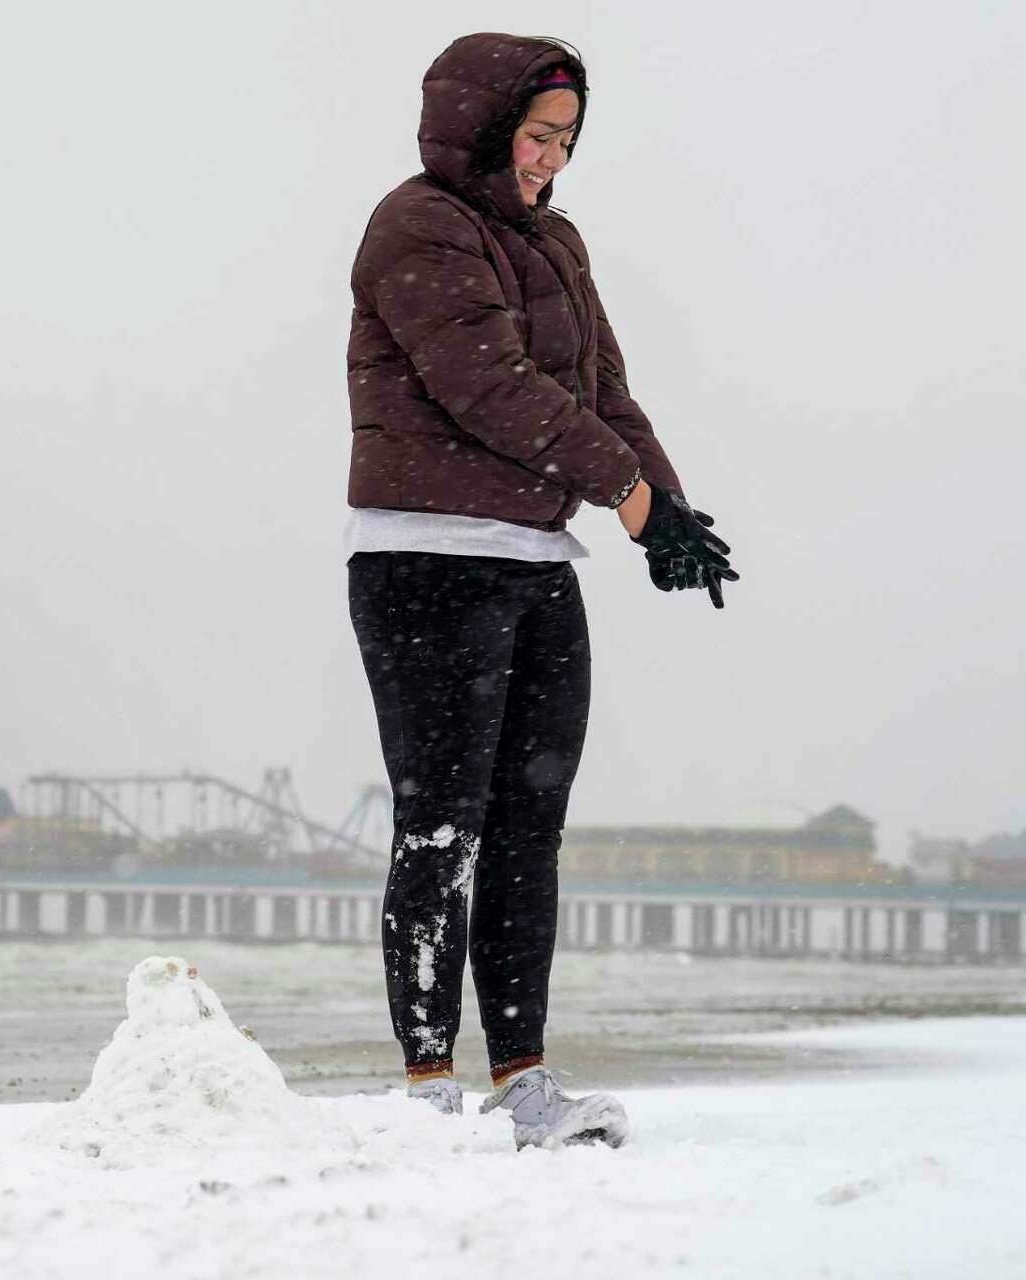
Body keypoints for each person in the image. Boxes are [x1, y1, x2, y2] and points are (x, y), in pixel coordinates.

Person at [344, 33, 737, 1149]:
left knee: (529, 830)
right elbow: (489, 385)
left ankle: (523, 1079)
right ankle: (428, 1088)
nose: (550, 161)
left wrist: (670, 511)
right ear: (481, 127)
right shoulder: (416, 224)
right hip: (426, 558)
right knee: (442, 826)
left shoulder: (556, 241)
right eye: (535, 136)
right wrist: (626, 495)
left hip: (536, 561)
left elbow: (604, 390)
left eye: (566, 141)